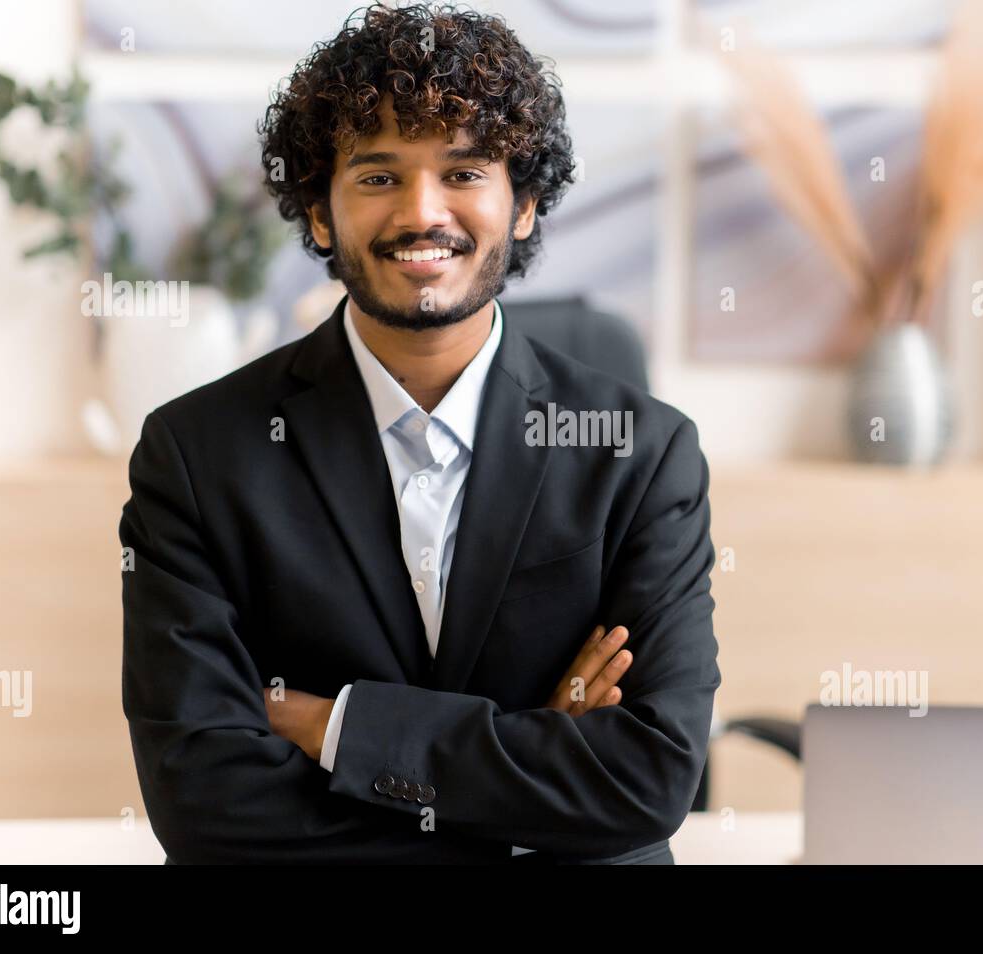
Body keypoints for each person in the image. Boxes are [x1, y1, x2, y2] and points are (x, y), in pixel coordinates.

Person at [120, 2, 720, 864]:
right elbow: (206, 805)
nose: (421, 212)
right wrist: (533, 769)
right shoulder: (198, 456)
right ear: (320, 215)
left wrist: (339, 730)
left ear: (524, 207)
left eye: (466, 172)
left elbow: (647, 781)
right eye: (377, 176)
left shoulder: (642, 454)